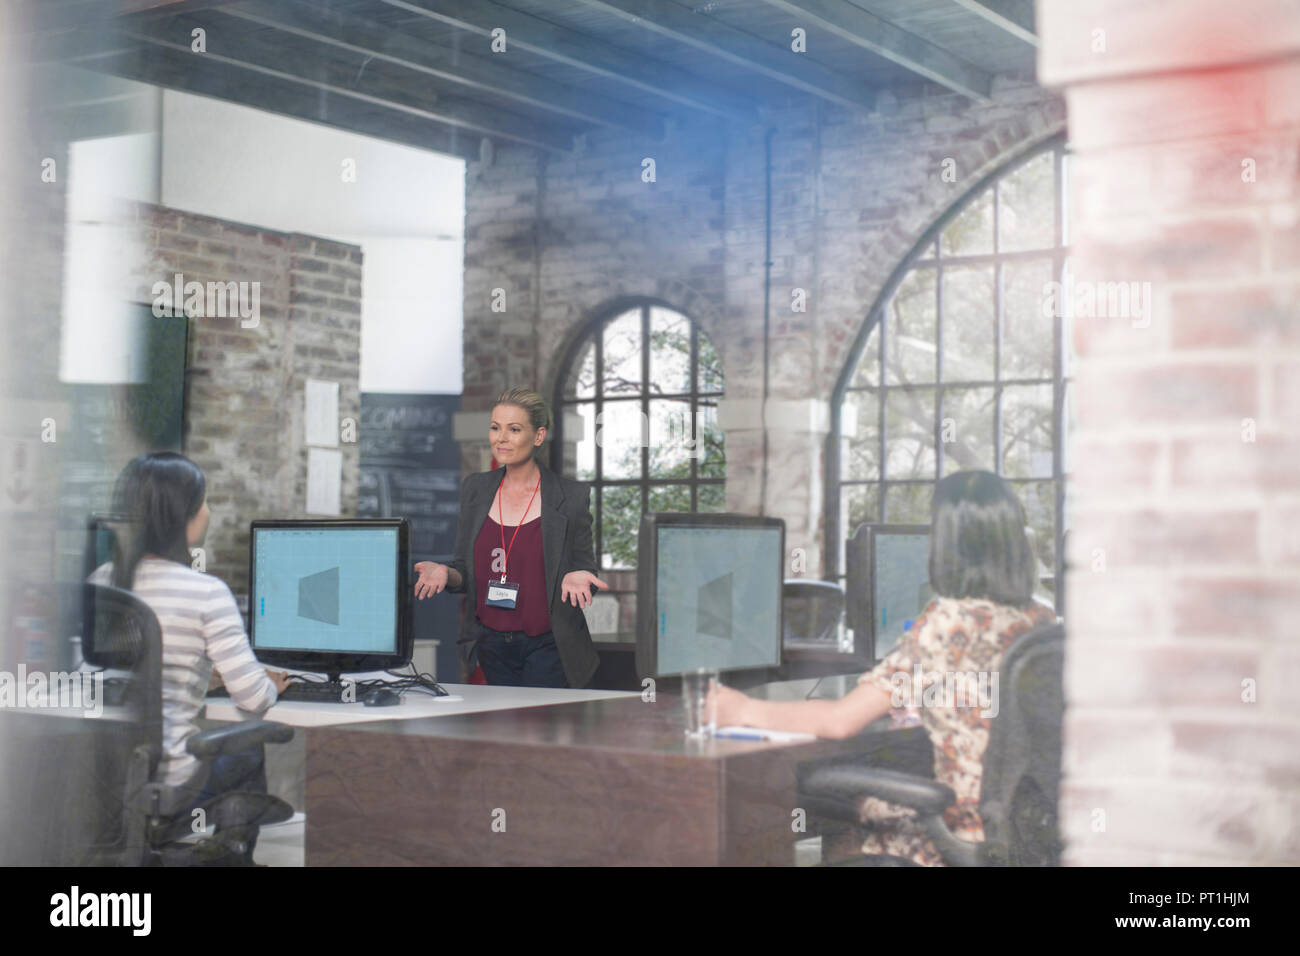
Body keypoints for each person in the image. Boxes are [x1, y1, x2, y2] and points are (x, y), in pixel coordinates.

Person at [712, 470, 1056, 865]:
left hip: (959, 830)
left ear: (945, 545)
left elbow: (840, 721)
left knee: (833, 806)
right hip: (1024, 831)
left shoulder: (949, 621)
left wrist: (740, 709)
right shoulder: (1040, 619)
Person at [88, 452, 292, 863]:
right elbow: (252, 700)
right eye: (203, 501)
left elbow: (108, 677)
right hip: (169, 779)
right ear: (184, 515)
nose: (209, 511)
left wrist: (203, 678)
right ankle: (229, 859)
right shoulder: (206, 592)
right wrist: (268, 683)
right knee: (247, 748)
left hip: (102, 775)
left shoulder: (102, 581)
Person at [413, 387, 609, 688]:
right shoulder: (476, 489)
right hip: (491, 645)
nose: (501, 438)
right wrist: (445, 572)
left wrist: (579, 575)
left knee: (539, 732)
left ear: (538, 436)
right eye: (495, 428)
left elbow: (585, 571)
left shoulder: (569, 497)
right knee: (501, 729)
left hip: (548, 647)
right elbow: (465, 572)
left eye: (514, 429)